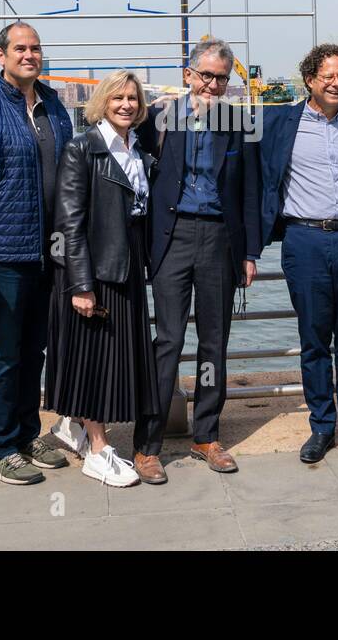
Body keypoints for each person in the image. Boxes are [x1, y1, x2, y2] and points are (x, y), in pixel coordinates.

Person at [130, 38, 261, 483]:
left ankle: (206, 435)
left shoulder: (239, 122)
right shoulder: (158, 119)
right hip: (171, 237)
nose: (213, 84)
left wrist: (249, 252)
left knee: (213, 342)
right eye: (205, 75)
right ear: (188, 75)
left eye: (222, 77)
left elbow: (250, 191)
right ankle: (146, 445)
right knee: (167, 340)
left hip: (220, 239)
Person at [0, 21, 74, 485]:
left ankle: (26, 434)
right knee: (3, 352)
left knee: (35, 348)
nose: (30, 54)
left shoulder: (55, 107)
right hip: (3, 254)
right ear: (0, 56)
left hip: (50, 253)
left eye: (36, 47)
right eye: (20, 48)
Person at [260, 43, 338, 464]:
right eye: (327, 76)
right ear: (309, 80)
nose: (336, 83)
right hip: (304, 239)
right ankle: (320, 428)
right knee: (313, 340)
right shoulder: (281, 121)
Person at [45, 70, 159, 488]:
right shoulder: (83, 148)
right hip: (95, 271)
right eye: (118, 98)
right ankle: (97, 449)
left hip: (127, 269)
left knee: (112, 362)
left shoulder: (137, 147)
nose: (127, 104)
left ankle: (76, 428)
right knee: (94, 364)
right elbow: (69, 220)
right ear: (102, 104)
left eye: (133, 98)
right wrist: (81, 284)